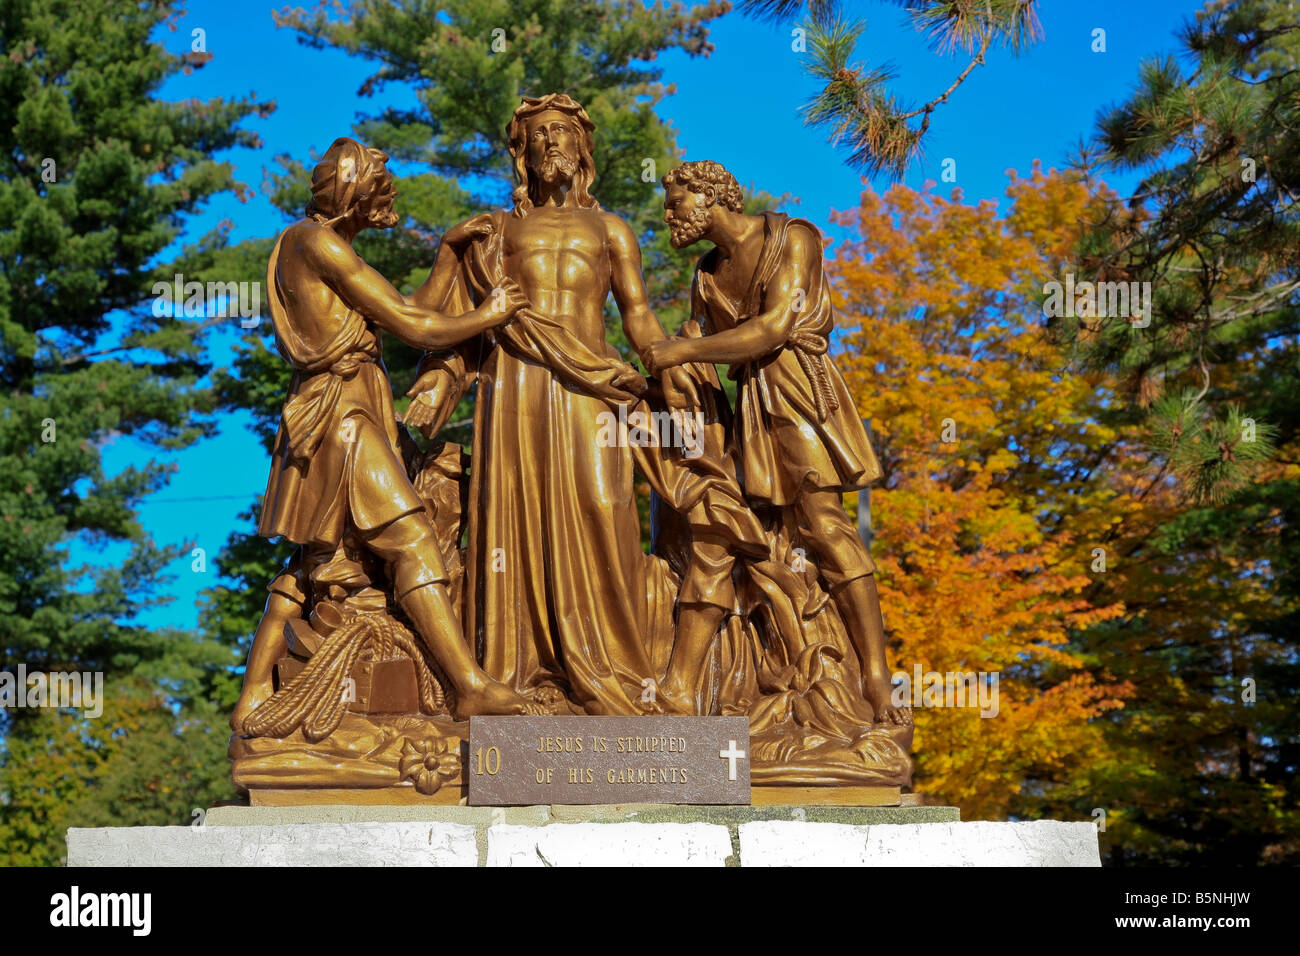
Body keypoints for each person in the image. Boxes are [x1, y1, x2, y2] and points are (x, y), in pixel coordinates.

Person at [230, 137, 537, 732]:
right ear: (354, 191)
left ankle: (251, 698)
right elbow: (413, 324)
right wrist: (490, 314)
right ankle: (469, 685)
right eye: (379, 188)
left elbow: (414, 309)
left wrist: (448, 255)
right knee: (411, 538)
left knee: (322, 559)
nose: (387, 198)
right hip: (342, 419)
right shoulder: (317, 242)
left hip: (338, 411)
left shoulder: (319, 245)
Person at [645, 160, 904, 723]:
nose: (668, 216)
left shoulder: (793, 236)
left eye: (676, 203)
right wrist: (658, 372)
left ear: (712, 197)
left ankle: (877, 679)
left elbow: (771, 328)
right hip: (749, 413)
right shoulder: (706, 275)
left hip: (798, 390)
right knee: (729, 530)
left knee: (827, 529)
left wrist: (684, 353)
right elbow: (693, 337)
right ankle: (707, 682)